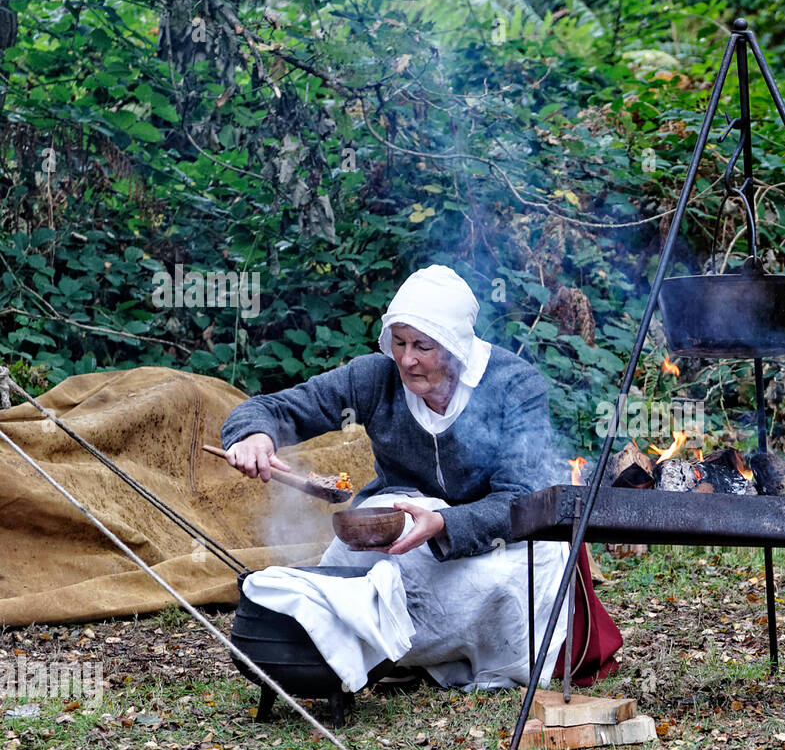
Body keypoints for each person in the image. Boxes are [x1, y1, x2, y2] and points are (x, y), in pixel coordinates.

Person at [221, 264, 584, 690]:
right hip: (402, 532)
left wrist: (448, 524)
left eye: (423, 346)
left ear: (455, 347)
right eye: (399, 342)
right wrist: (254, 434)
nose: (407, 359)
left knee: (509, 578)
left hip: (495, 539)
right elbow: (279, 407)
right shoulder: (376, 378)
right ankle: (389, 654)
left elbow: (521, 499)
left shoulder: (513, 384)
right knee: (348, 565)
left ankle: (448, 655)